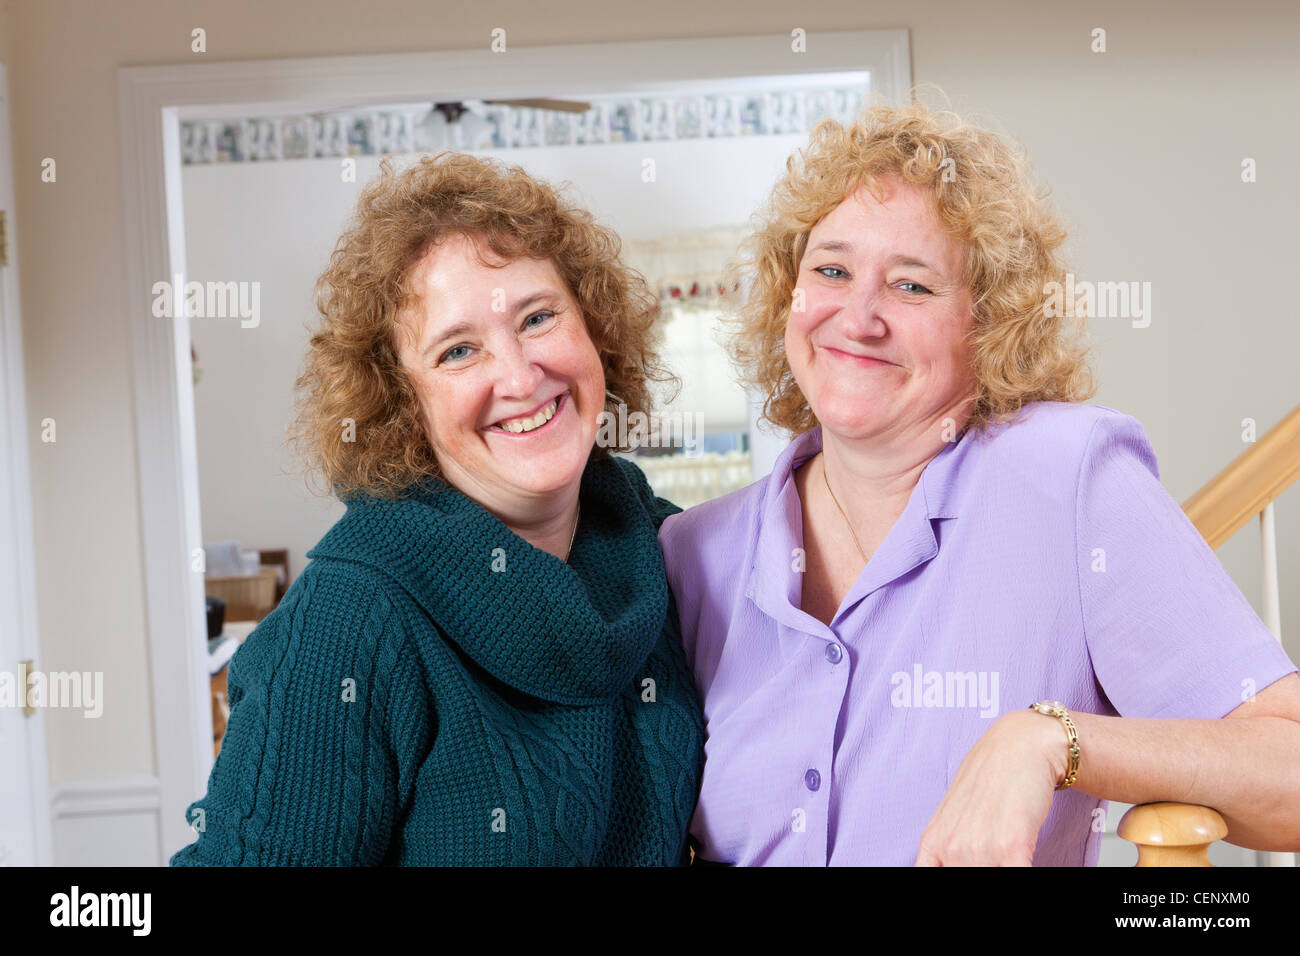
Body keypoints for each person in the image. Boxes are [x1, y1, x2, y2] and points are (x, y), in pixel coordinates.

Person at [658, 100, 1300, 866]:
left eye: (912, 286)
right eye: (831, 270)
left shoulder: (1066, 480)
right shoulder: (695, 551)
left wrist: (1049, 741)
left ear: (988, 325)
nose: (858, 317)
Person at [171, 152, 704, 866]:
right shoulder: (348, 621)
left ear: (595, 327)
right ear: (401, 405)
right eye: (458, 352)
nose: (519, 375)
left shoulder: (665, 548)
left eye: (539, 317)